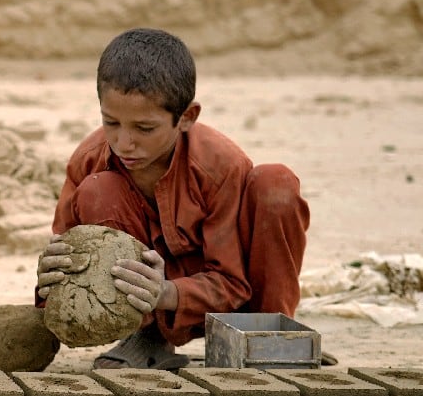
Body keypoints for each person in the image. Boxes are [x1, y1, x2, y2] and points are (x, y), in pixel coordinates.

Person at [36, 27, 310, 369]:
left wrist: (167, 292)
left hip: (229, 300)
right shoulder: (88, 160)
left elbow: (233, 284)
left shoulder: (220, 166)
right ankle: (148, 337)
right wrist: (51, 279)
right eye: (111, 122)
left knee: (276, 183)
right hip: (146, 304)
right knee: (96, 189)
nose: (124, 143)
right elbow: (67, 264)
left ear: (186, 118)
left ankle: (269, 338)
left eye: (144, 129)